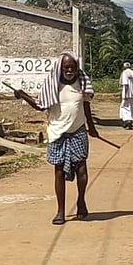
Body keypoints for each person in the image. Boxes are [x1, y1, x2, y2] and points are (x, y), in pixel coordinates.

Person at [14, 52, 98, 225]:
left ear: (77, 68)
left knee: (81, 168)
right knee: (59, 170)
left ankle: (81, 201)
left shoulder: (82, 84)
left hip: (78, 131)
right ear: (60, 68)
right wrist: (23, 95)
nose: (69, 70)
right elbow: (39, 105)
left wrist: (92, 127)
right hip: (57, 132)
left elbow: (86, 106)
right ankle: (61, 211)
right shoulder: (52, 85)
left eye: (72, 67)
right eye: (66, 67)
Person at [119, 62, 133, 129]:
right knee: (132, 108)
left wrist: (125, 95)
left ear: (124, 67)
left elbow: (125, 84)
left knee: (124, 107)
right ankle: (131, 120)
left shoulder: (124, 73)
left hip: (127, 94)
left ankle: (127, 121)